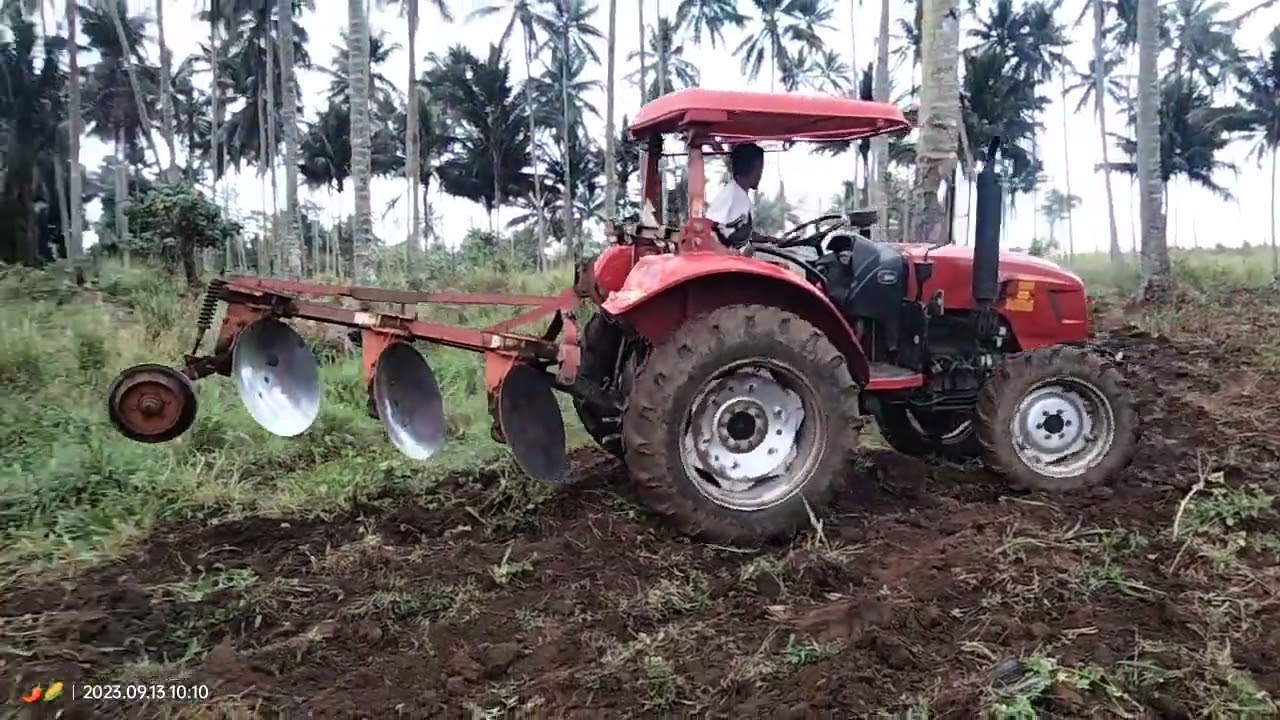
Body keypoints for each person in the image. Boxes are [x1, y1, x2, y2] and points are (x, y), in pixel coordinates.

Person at [705, 142, 779, 247]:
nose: (760, 175)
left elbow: (737, 233)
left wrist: (768, 239)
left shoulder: (741, 196)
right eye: (759, 169)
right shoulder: (730, 194)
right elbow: (707, 226)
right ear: (751, 169)